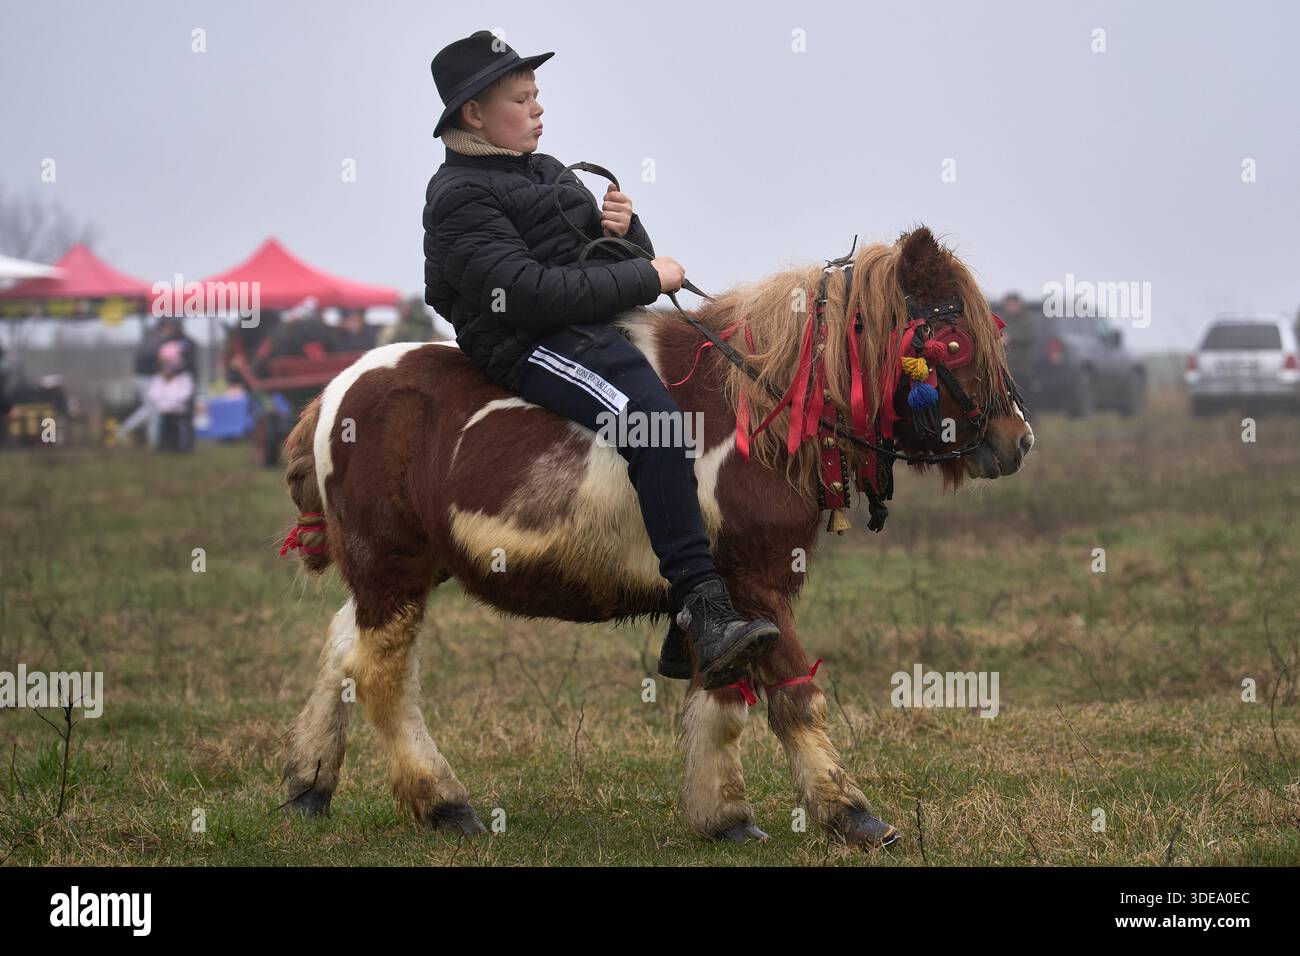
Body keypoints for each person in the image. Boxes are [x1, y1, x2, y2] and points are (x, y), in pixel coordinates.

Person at [422, 31, 779, 689]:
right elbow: (530, 295)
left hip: (587, 326)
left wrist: (623, 233)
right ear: (474, 114)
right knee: (656, 425)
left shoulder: (544, 167)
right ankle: (701, 609)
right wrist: (649, 273)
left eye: (537, 97)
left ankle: (685, 618)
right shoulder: (459, 196)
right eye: (521, 98)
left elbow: (593, 263)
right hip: (531, 342)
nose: (538, 110)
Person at [148, 339, 195, 452]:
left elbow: (186, 392)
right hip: (163, 409)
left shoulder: (183, 378)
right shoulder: (158, 379)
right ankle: (164, 446)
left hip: (178, 408)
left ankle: (180, 446)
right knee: (164, 427)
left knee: (178, 427)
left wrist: (175, 403)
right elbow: (153, 394)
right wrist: (162, 403)